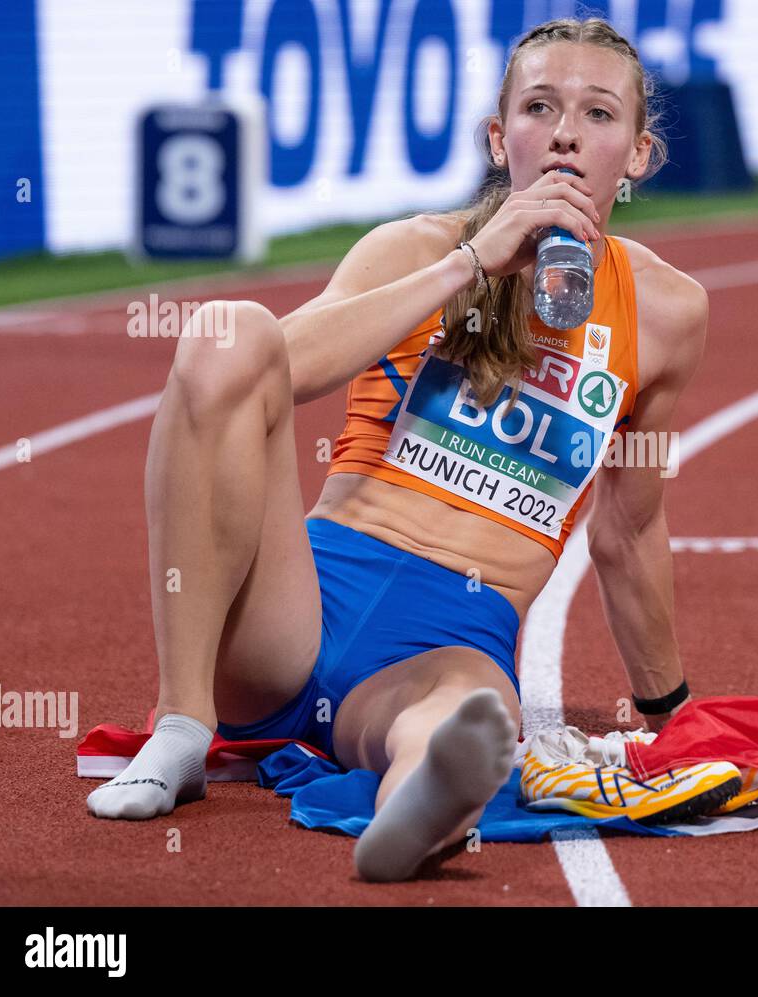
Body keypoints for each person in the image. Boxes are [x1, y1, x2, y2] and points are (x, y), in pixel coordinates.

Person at [85, 16, 711, 882]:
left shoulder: (669, 315)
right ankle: (182, 728)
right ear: (501, 136)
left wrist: (672, 715)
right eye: (540, 105)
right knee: (225, 331)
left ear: (638, 155)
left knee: (464, 716)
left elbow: (629, 532)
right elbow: (263, 372)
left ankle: (419, 807)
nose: (567, 131)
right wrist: (469, 263)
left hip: (451, 635)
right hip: (294, 609)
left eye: (599, 114)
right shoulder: (412, 249)